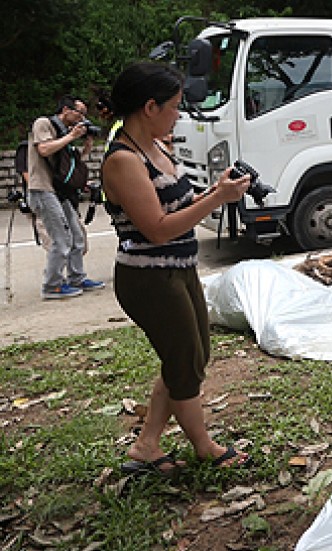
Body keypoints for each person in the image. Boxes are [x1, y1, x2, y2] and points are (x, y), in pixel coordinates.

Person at [100, 62, 253, 475]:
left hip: (179, 270)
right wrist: (217, 199)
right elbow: (158, 229)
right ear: (149, 107)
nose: (178, 115)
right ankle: (205, 447)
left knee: (190, 356)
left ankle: (147, 445)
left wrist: (215, 189)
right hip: (148, 278)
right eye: (173, 106)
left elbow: (176, 206)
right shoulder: (123, 160)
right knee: (184, 361)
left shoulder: (157, 146)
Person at [26, 95, 104, 299]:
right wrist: (71, 136)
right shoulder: (43, 124)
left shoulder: (64, 134)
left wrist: (85, 145)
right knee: (61, 240)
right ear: (66, 110)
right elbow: (43, 149)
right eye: (80, 114)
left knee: (77, 235)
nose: (82, 119)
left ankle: (76, 277)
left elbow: (69, 165)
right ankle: (51, 286)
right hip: (42, 189)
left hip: (60, 191)